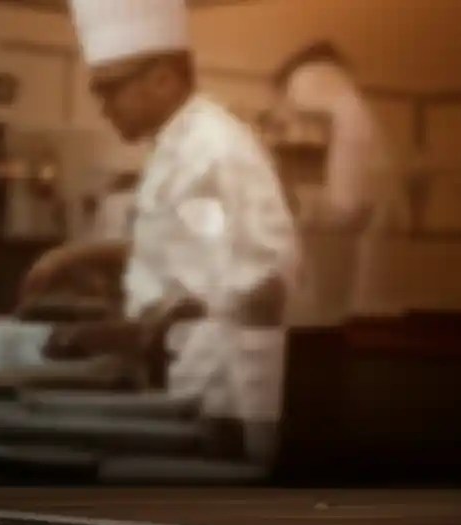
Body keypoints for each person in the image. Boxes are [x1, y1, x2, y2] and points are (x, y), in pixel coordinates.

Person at [35, 0, 302, 462]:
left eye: (109, 91)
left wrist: (143, 333)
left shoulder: (215, 148)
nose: (102, 108)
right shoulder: (178, 146)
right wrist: (79, 259)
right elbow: (188, 253)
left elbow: (267, 282)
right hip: (184, 386)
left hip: (225, 399)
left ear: (162, 78)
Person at [271, 41, 408, 325]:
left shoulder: (348, 121)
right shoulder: (354, 113)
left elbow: (346, 209)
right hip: (363, 265)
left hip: (354, 280)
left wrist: (302, 214)